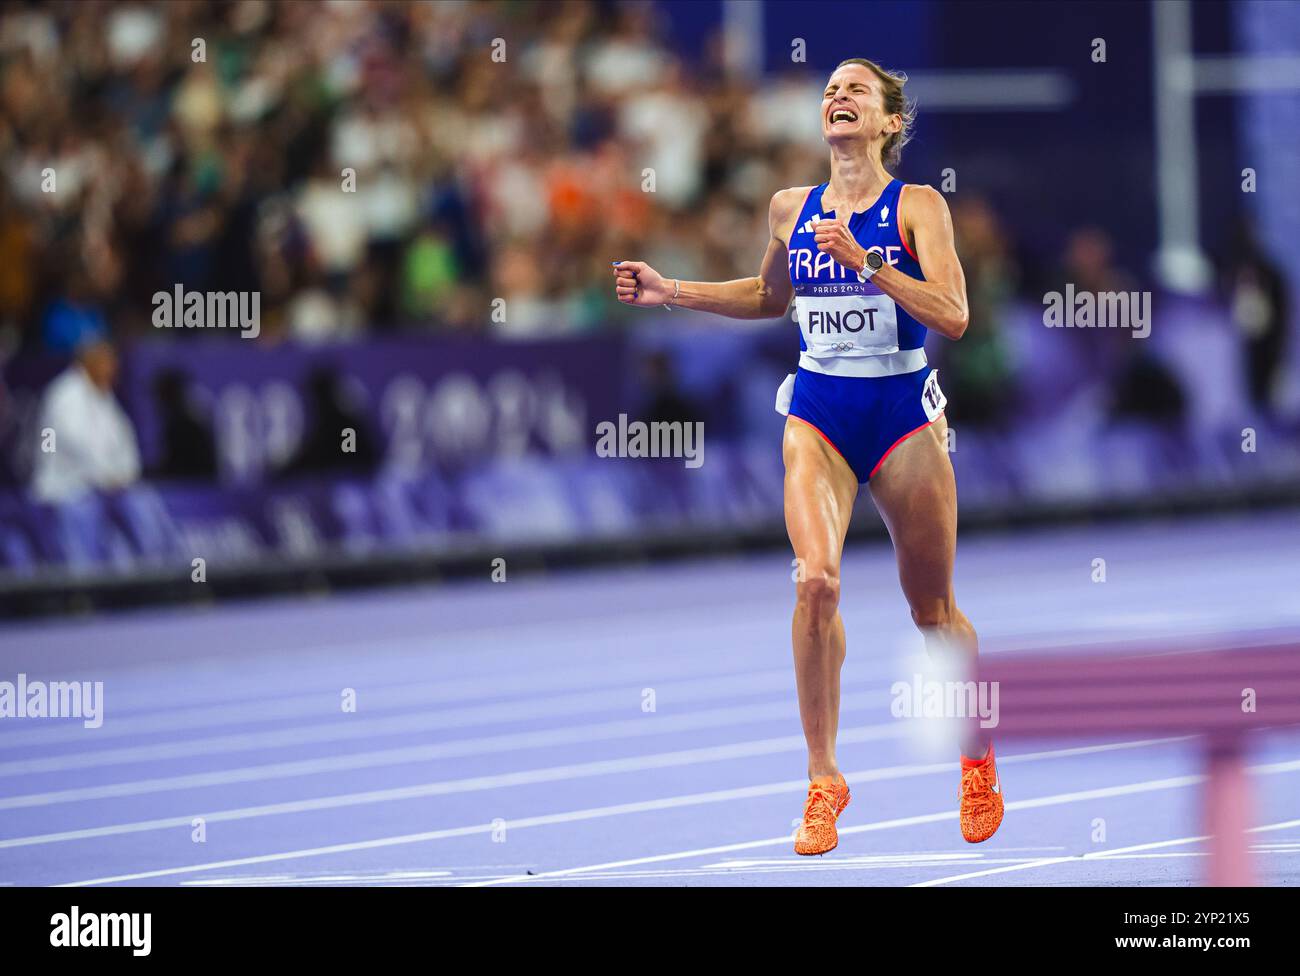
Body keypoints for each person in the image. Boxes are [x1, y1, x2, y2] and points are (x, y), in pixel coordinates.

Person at [612, 58, 1003, 855]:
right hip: (819, 412)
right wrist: (671, 290)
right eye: (829, 90)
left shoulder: (919, 207)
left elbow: (956, 315)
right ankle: (824, 778)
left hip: (902, 416)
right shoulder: (791, 207)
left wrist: (870, 265)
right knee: (816, 582)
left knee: (931, 609)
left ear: (890, 121)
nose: (838, 98)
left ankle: (976, 756)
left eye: (855, 90)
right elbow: (768, 299)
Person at [32, 337, 142, 504]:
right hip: (63, 488)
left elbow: (125, 440)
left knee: (143, 500)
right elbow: (72, 443)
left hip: (102, 486)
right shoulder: (64, 394)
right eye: (107, 362)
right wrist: (106, 475)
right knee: (86, 508)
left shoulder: (105, 397)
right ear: (89, 362)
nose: (113, 369)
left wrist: (126, 474)